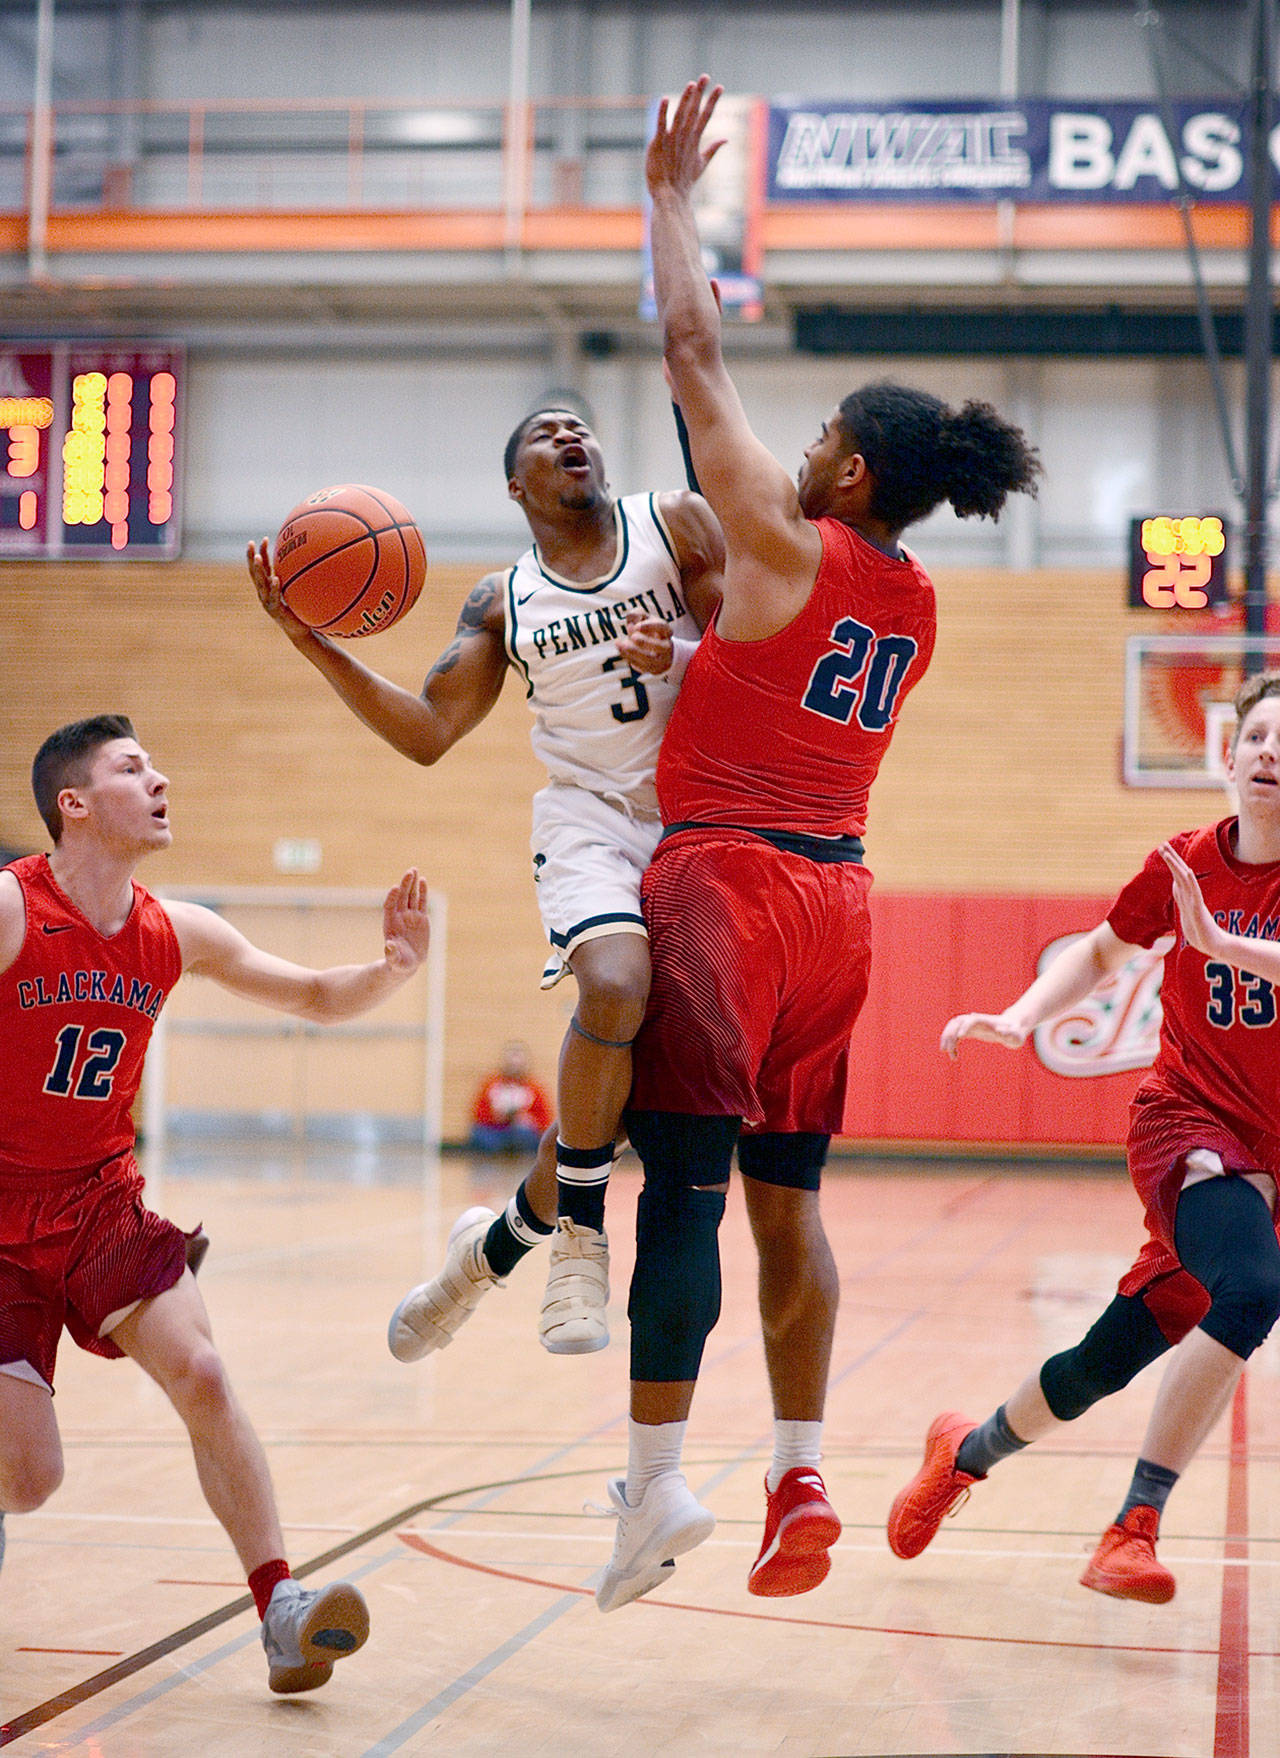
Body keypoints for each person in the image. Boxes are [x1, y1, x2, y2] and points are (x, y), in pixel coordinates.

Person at [594, 77, 1042, 1614]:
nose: (794, 447)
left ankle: (652, 1485)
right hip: (842, 902)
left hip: (727, 884)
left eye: (822, 436)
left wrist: (669, 202)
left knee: (688, 1198)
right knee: (794, 1202)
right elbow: (770, 639)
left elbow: (691, 354)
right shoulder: (913, 601)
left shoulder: (790, 541)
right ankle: (799, 1465)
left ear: (848, 473)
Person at [250, 410, 722, 1357]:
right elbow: (429, 731)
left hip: (701, 819)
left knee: (636, 1098)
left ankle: (484, 1258)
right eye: (545, 434)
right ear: (517, 486)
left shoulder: (676, 524)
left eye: (579, 426)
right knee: (615, 984)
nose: (569, 436)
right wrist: (313, 643)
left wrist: (675, 656)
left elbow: (757, 663)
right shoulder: (503, 601)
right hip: (590, 821)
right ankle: (581, 1240)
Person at [0, 714, 431, 1693]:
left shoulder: (172, 929)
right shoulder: (12, 909)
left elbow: (316, 996)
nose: (158, 779)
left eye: (155, 762)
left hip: (102, 1203)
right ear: (73, 803)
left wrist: (390, 969)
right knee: (30, 1481)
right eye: (130, 767)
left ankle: (280, 1610)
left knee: (201, 1371)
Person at [887, 669, 1280, 1605]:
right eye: (1261, 738)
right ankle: (1131, 1528)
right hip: (1190, 1121)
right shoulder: (1183, 862)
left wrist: (1222, 948)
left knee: (1100, 1362)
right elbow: (1103, 951)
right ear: (1230, 755)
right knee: (1256, 1288)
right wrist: (1020, 1017)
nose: (1273, 755)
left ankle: (963, 1454)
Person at [468, 1039, 553, 1157]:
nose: (514, 1063)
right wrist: (496, 1116)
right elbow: (478, 1116)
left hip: (521, 1133)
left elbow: (544, 1120)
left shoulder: (534, 1088)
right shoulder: (491, 1084)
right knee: (481, 1135)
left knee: (524, 1134)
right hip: (495, 1131)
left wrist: (527, 1120)